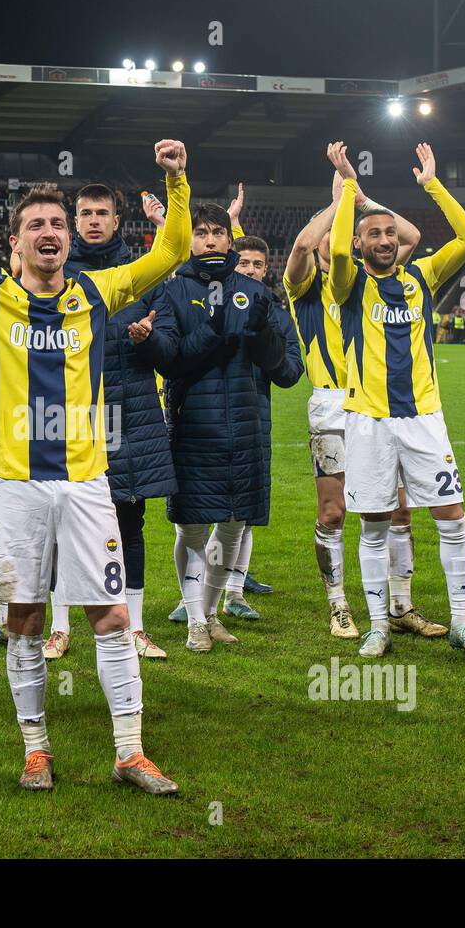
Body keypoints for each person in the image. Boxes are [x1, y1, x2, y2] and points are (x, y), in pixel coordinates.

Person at [0, 121, 188, 794]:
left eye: (59, 222)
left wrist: (175, 176)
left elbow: (171, 248)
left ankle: (129, 751)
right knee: (24, 616)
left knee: (111, 615)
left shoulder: (98, 290)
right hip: (12, 485)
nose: (52, 232)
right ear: (16, 238)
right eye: (38, 224)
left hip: (87, 483)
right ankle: (36, 748)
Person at [328, 141, 465, 660]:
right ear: (358, 242)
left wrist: (431, 186)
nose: (384, 239)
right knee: (375, 524)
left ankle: (462, 622)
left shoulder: (422, 276)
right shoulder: (349, 284)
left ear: (400, 242)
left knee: (452, 516)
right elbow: (332, 252)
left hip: (424, 419)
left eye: (390, 233)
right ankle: (379, 625)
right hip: (368, 421)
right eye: (373, 233)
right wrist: (350, 184)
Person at [283, 171, 445, 642]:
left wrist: (361, 196)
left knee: (398, 511)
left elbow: (411, 235)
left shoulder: (371, 283)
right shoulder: (305, 288)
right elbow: (300, 248)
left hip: (382, 407)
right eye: (327, 241)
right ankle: (338, 606)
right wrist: (339, 200)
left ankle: (401, 606)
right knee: (333, 513)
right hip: (334, 405)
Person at [138, 203, 301, 653]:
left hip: (246, 433)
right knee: (190, 529)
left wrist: (259, 335)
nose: (210, 240)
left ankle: (210, 614)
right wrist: (216, 330)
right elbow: (171, 362)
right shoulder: (172, 293)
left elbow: (288, 372)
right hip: (194, 431)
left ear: (231, 239)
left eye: (218, 232)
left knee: (232, 527)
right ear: (190, 240)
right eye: (201, 233)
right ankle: (193, 619)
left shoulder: (257, 293)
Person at [41, 182, 175, 661]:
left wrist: (149, 340)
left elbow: (171, 349)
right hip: (70, 415)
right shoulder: (55, 273)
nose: (94, 220)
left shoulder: (139, 275)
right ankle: (59, 628)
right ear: (76, 221)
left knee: (128, 520)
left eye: (103, 213)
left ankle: (134, 627)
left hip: (130, 409)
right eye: (85, 213)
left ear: (118, 221)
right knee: (59, 521)